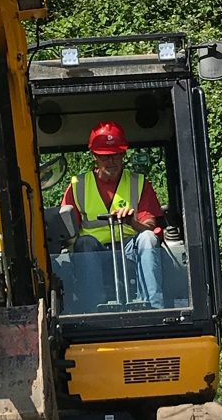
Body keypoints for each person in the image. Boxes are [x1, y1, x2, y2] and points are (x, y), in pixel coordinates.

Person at [61, 121, 165, 310]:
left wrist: (132, 222)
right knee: (84, 242)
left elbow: (150, 226)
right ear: (94, 156)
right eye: (105, 157)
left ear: (123, 154)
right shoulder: (77, 186)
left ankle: (153, 307)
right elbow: (66, 233)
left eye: (116, 155)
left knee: (148, 238)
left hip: (129, 248)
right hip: (95, 252)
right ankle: (91, 310)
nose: (111, 161)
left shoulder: (139, 183)